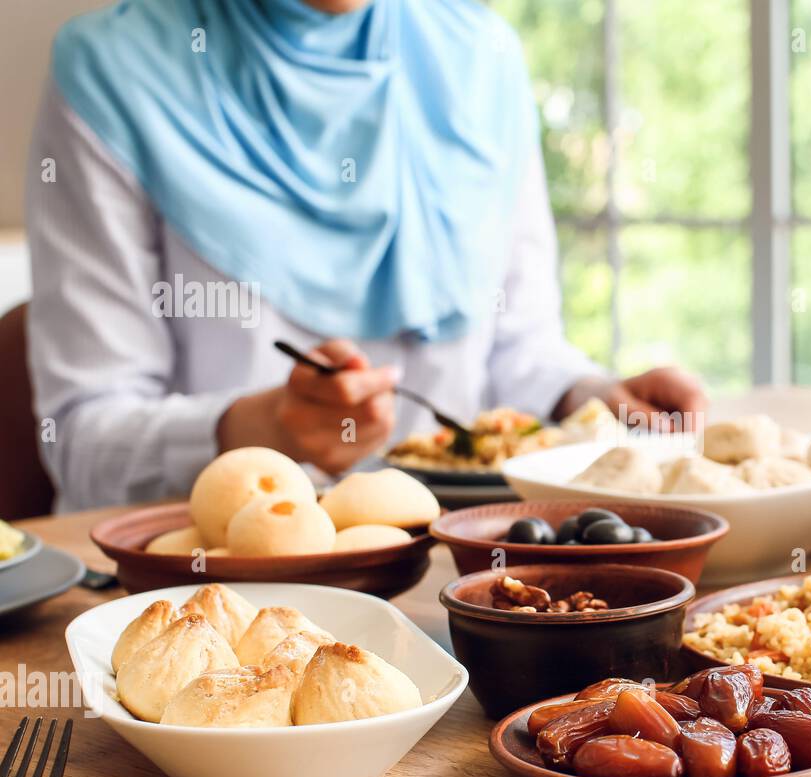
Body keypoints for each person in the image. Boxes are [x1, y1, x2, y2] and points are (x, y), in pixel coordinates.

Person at [25, 0, 705, 511]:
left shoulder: (480, 57)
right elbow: (83, 439)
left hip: (455, 577)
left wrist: (592, 396)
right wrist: (260, 430)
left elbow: (518, 351)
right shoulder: (112, 70)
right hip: (206, 596)